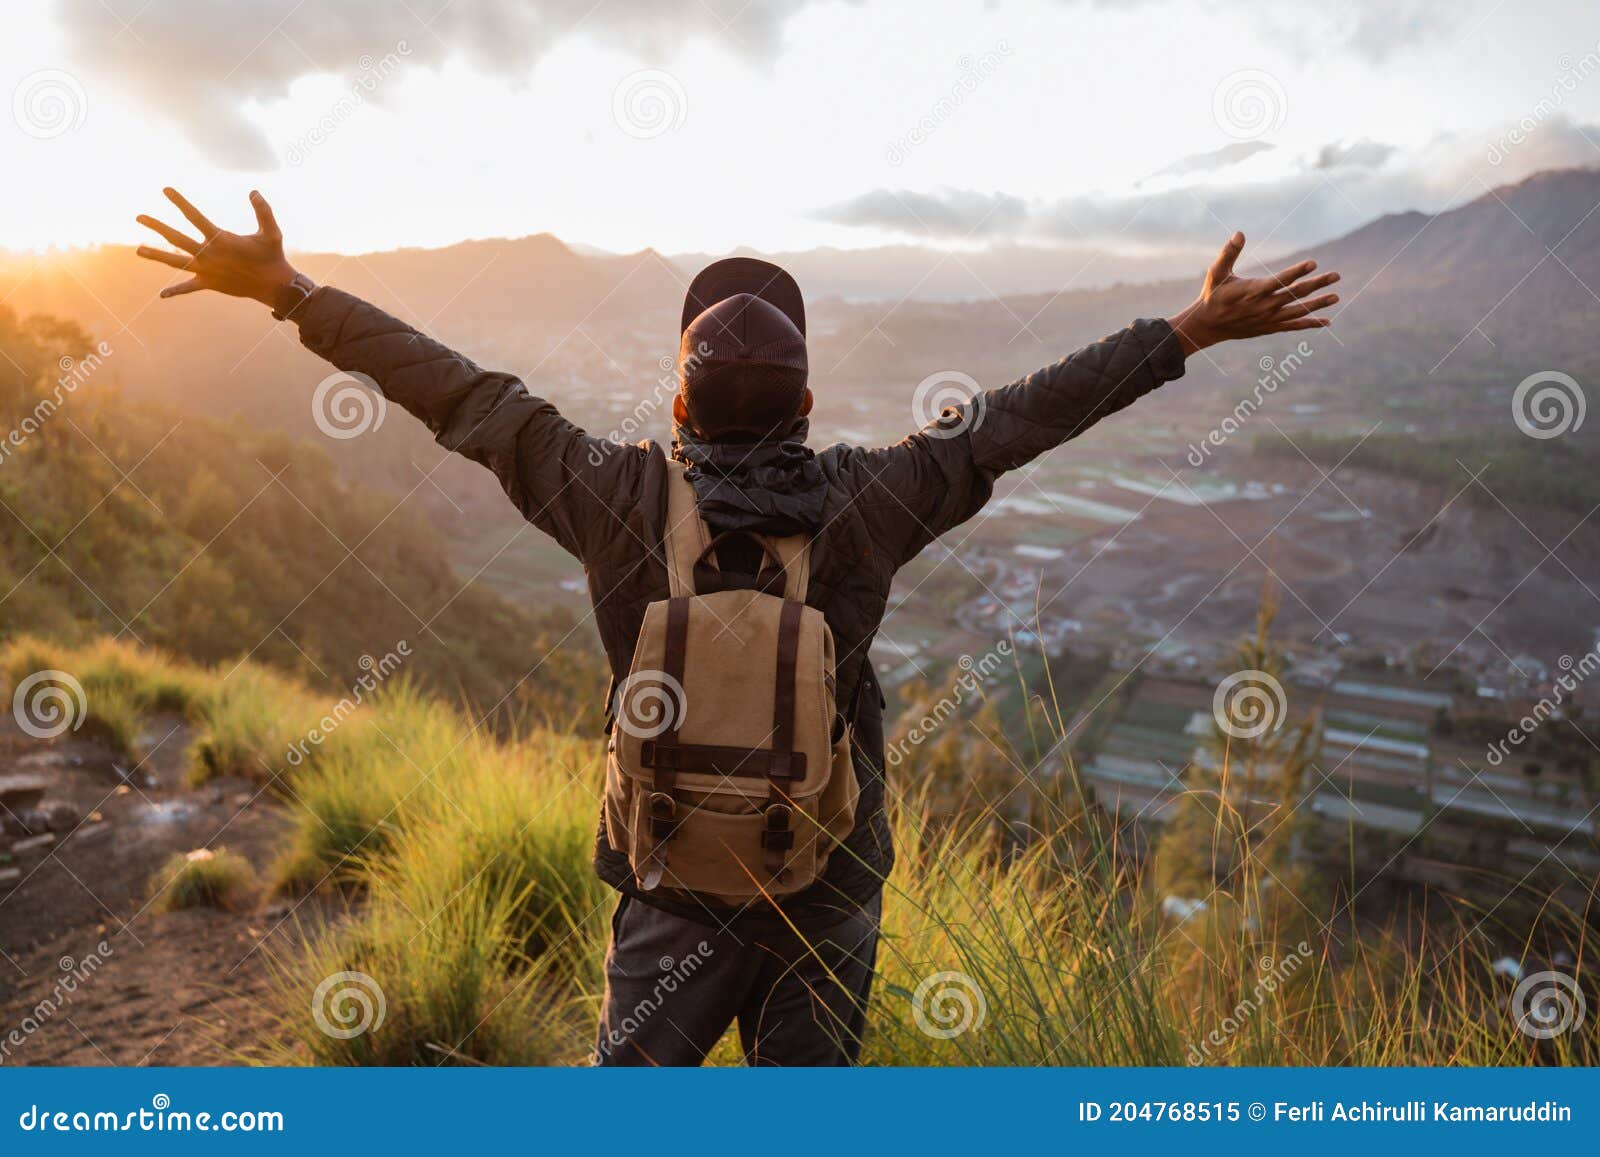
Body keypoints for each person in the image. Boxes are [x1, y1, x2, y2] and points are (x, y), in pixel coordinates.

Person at [135, 187, 1339, 1066]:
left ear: (677, 399)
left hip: (668, 876)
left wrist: (291, 292)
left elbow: (458, 394)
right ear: (807, 403)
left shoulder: (611, 493)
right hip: (826, 882)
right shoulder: (871, 498)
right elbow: (1018, 421)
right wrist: (1185, 330)